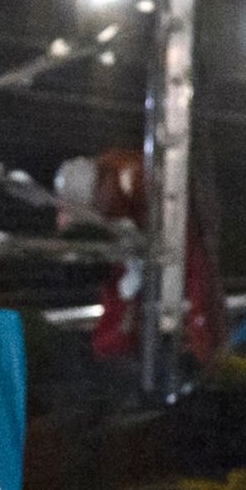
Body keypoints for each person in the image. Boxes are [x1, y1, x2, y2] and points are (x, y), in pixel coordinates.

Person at [53, 144, 218, 366]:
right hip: (140, 278)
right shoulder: (110, 195)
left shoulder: (137, 183)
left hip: (171, 280)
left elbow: (180, 254)